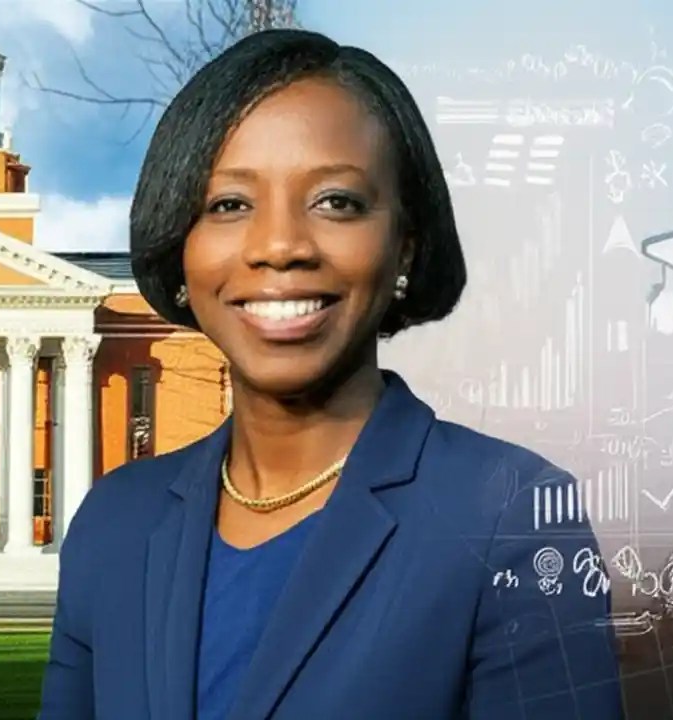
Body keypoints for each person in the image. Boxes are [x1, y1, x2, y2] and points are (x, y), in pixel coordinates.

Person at [37, 28, 624, 720]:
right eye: (229, 204)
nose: (280, 245)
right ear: (181, 251)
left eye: (336, 201)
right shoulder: (114, 525)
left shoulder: (511, 515)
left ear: (405, 246)